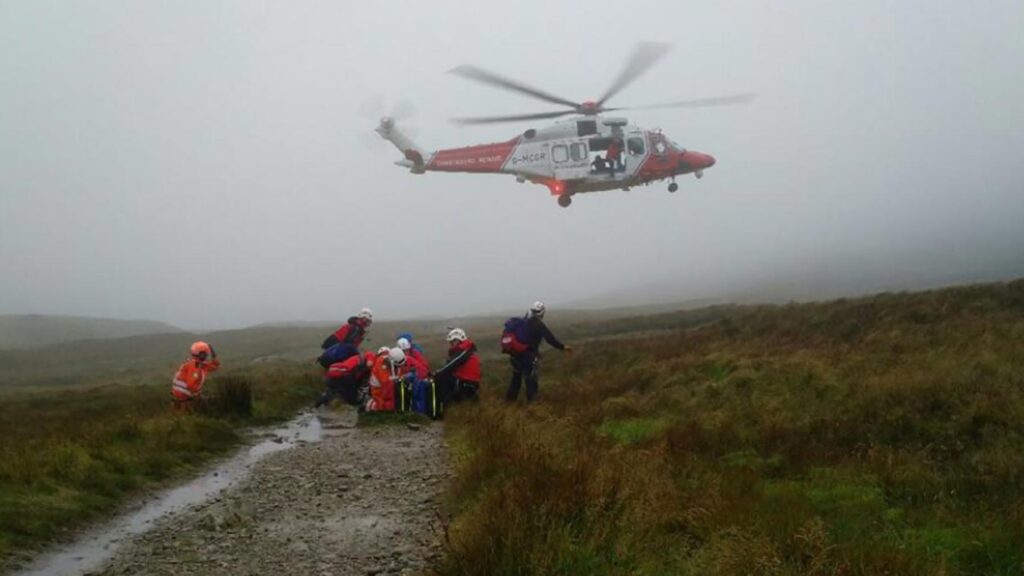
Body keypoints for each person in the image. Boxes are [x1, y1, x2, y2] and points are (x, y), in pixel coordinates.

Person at [506, 301, 572, 403]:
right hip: (528, 357)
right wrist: (562, 347)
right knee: (531, 381)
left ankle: (509, 403)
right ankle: (532, 406)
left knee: (516, 379)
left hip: (516, 356)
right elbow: (550, 339)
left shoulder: (524, 321)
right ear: (542, 312)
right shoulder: (538, 324)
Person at [432, 328, 481, 403]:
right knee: (444, 375)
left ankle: (447, 403)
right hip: (468, 383)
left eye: (453, 341)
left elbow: (451, 365)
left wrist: (436, 373)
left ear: (459, 340)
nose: (451, 344)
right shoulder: (467, 349)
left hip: (465, 383)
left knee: (440, 377)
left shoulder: (463, 351)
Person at [171, 341, 220, 412]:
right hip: (184, 398)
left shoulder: (199, 364)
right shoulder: (195, 366)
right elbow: (191, 385)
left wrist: (214, 356)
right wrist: (199, 397)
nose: (206, 355)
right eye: (205, 353)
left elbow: (215, 366)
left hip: (183, 396)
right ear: (201, 354)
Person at [365, 347, 414, 412]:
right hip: (378, 390)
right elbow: (387, 386)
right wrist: (402, 378)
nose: (400, 367)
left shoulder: (395, 362)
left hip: (389, 387)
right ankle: (371, 404)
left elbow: (399, 372)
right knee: (387, 407)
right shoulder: (382, 366)